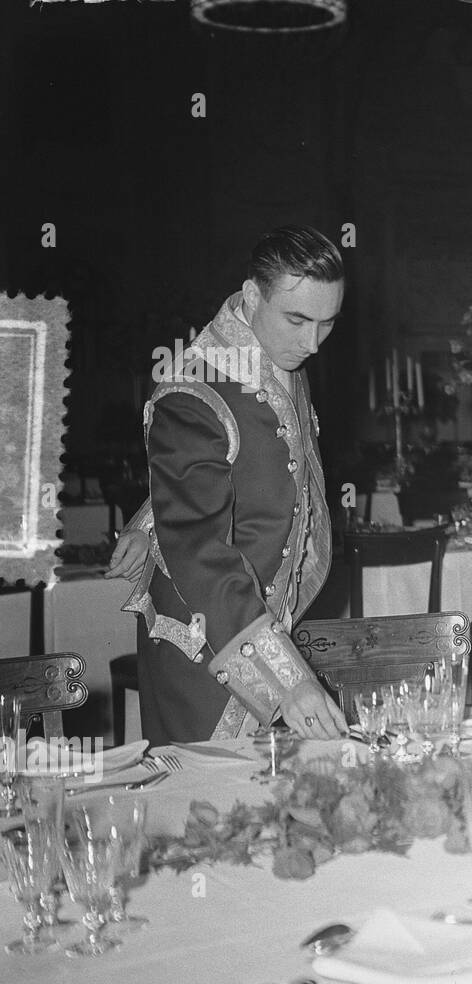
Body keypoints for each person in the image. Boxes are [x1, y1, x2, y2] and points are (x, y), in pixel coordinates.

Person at [108, 226, 348, 743]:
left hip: (270, 626)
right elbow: (199, 548)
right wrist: (288, 679)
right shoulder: (192, 389)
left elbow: (232, 471)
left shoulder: (277, 350)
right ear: (252, 295)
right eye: (298, 320)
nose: (311, 343)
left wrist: (147, 521)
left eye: (326, 323)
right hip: (202, 654)